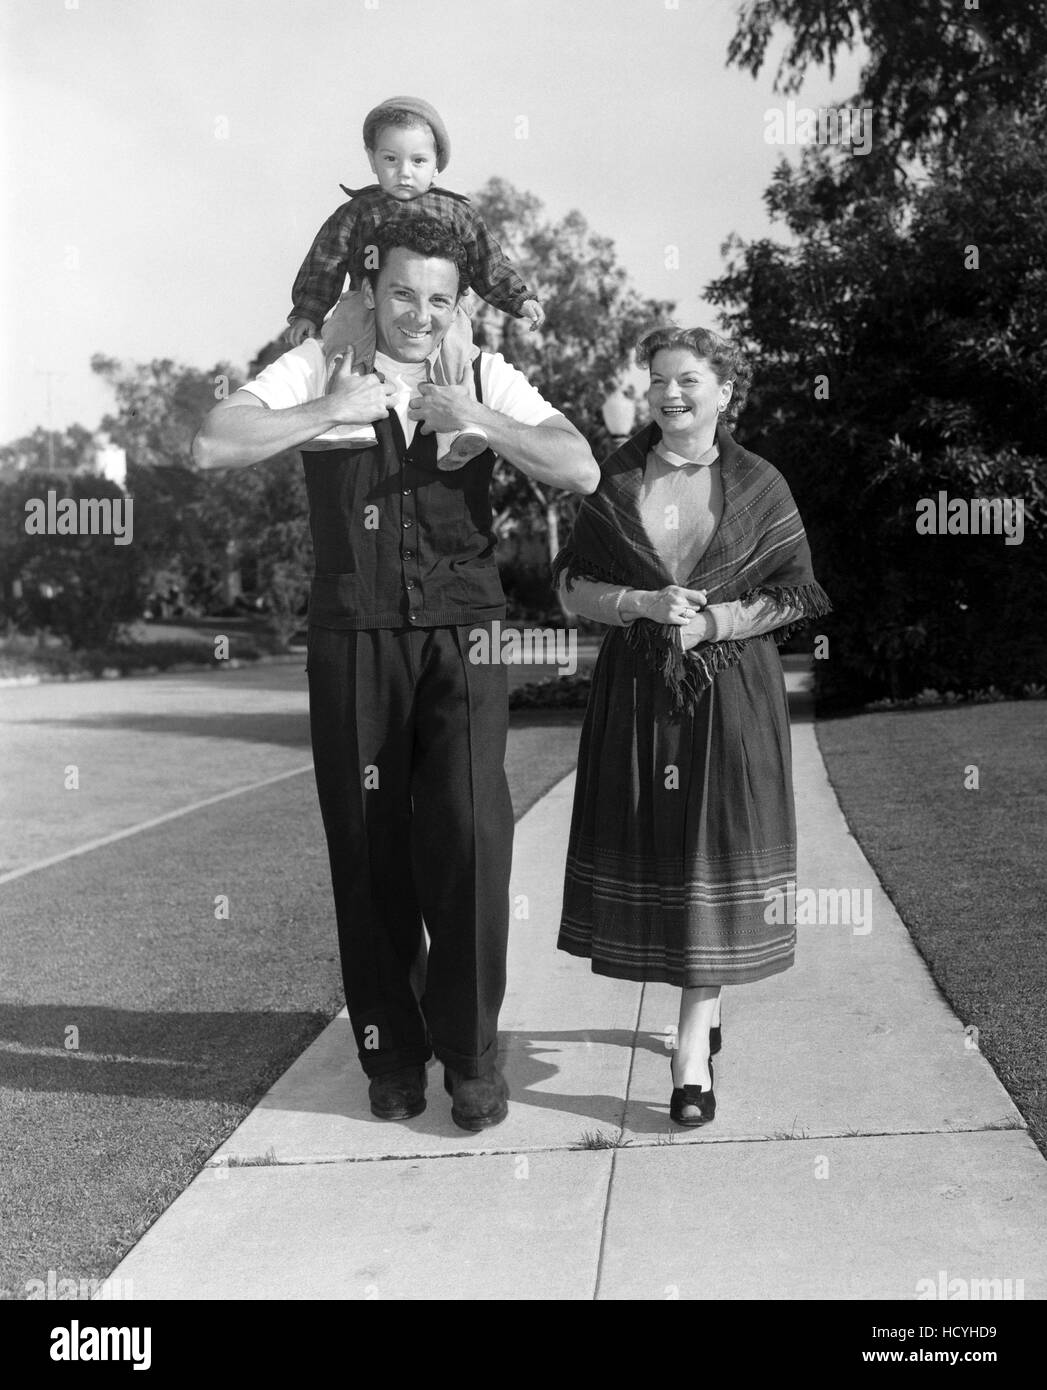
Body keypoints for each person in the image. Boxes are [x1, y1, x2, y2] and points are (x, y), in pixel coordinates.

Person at [193, 215, 599, 1132]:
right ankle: (391, 1052)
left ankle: (471, 1057)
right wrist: (328, 410)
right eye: (403, 295)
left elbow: (579, 467)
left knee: (468, 836)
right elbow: (212, 442)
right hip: (353, 632)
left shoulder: (482, 371)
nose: (419, 315)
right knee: (368, 845)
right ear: (371, 292)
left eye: (439, 299)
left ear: (459, 305)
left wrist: (478, 419)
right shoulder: (317, 363)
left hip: (465, 634)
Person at [552, 326, 830, 1127]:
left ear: (724, 393)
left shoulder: (757, 484)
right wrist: (638, 603)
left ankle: (686, 1056)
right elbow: (572, 585)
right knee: (657, 854)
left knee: (711, 854)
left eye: (689, 380)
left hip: (731, 690)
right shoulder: (615, 478)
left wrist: (715, 624)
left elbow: (797, 592)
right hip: (635, 690)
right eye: (659, 381)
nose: (671, 395)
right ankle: (699, 1021)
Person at [285, 95, 544, 465]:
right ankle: (345, 419)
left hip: (442, 309)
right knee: (340, 333)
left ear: (437, 164)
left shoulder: (456, 212)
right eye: (391, 159)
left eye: (418, 161)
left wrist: (519, 299)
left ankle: (455, 431)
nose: (404, 172)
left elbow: (489, 260)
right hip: (366, 301)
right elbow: (326, 262)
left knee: (456, 345)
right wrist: (308, 312)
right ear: (372, 160)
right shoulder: (358, 212)